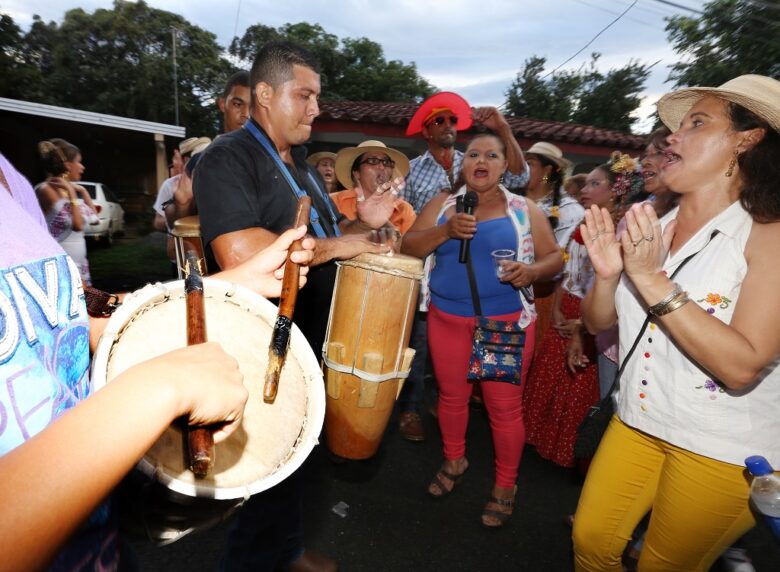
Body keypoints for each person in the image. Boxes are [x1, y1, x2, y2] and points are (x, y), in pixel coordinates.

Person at [0, 151, 315, 571]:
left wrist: (229, 284)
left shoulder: (10, 179)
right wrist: (160, 390)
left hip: (97, 546)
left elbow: (66, 318)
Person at [194, 40, 396, 572]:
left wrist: (363, 225)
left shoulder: (302, 168)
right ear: (265, 94)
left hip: (308, 341)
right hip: (266, 347)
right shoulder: (227, 157)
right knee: (267, 466)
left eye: (317, 97)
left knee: (296, 462)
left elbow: (323, 235)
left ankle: (287, 551)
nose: (315, 108)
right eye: (304, 95)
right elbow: (240, 252)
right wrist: (341, 245)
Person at [572, 74, 780, 571]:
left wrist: (650, 278)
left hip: (723, 444)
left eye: (697, 123)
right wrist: (607, 277)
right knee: (590, 541)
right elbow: (598, 322)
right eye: (677, 126)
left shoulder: (768, 236)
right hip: (638, 421)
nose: (672, 137)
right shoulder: (653, 225)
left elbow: (741, 367)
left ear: (747, 140)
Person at [401, 133, 561, 527]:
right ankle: (454, 460)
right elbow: (409, 246)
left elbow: (554, 259)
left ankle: (505, 485)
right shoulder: (443, 204)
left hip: (500, 326)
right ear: (464, 163)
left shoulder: (523, 210)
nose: (481, 160)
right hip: (446, 320)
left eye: (492, 154)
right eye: (473, 153)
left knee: (502, 410)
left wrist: (532, 271)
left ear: (505, 166)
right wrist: (446, 231)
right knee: (451, 399)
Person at [398, 92, 531, 442]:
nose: (448, 126)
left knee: (482, 392)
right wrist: (438, 229)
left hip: (492, 302)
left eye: (453, 120)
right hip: (434, 279)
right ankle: (412, 409)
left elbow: (519, 177)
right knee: (419, 348)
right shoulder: (412, 170)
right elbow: (405, 226)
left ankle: (448, 405)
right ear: (426, 131)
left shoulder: (471, 160)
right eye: (439, 121)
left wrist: (502, 128)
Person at [523, 152, 644, 470]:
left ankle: (569, 451)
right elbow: (567, 269)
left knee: (578, 385)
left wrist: (583, 321)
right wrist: (557, 308)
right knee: (550, 375)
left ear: (615, 190)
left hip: (592, 314)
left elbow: (616, 288)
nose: (585, 189)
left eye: (595, 184)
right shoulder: (582, 220)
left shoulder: (622, 229)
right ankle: (540, 439)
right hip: (567, 304)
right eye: (586, 183)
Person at [522, 142, 584, 353]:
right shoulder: (511, 201)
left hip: (543, 298)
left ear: (547, 170)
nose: (522, 168)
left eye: (530, 163)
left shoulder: (570, 211)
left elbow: (566, 265)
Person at [36, 138, 100, 285]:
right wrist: (71, 191)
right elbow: (77, 225)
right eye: (78, 162)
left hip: (80, 266)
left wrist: (83, 191)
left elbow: (95, 219)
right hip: (62, 266)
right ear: (67, 164)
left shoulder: (68, 191)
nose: (82, 167)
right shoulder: (45, 189)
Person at [330, 140, 417, 235]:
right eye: (373, 161)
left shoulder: (404, 210)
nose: (382, 167)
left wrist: (391, 231)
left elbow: (409, 244)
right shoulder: (333, 202)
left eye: (387, 162)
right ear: (357, 173)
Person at [152, 137, 211, 264]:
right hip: (184, 257)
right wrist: (181, 207)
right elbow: (158, 221)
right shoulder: (170, 185)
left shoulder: (216, 181)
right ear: (186, 160)